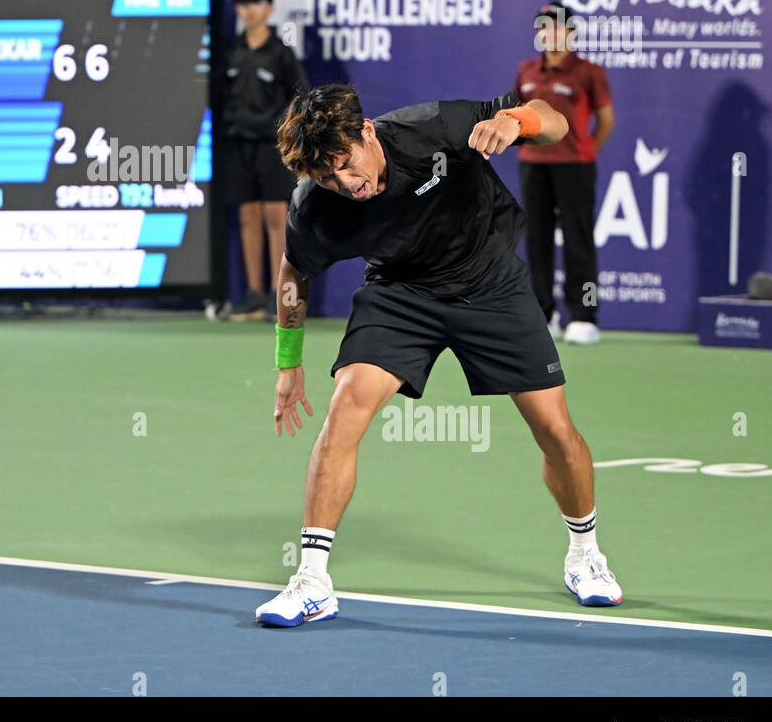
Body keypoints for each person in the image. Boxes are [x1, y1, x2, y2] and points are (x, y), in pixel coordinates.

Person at [253, 83, 623, 627]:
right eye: (326, 177)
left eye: (345, 165)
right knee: (345, 409)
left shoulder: (435, 128)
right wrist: (288, 363)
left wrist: (517, 122)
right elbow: (293, 271)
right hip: (401, 294)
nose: (344, 184)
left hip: (489, 282)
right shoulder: (318, 205)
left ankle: (586, 556)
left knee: (554, 429)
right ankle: (312, 581)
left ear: (368, 132)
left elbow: (556, 119)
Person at [516, 2, 615, 346]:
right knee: (537, 242)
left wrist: (584, 151)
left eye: (556, 27)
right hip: (533, 165)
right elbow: (518, 118)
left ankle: (585, 316)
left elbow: (605, 121)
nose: (549, 34)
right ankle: (544, 314)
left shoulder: (588, 71)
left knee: (579, 241)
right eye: (542, 27)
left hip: (575, 167)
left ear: (571, 32)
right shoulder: (527, 71)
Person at [219, 0, 308, 322]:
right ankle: (254, 293)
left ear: (269, 9)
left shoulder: (281, 54)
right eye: (242, 5)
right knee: (247, 216)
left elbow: (298, 98)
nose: (248, 11)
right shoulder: (230, 50)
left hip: (273, 148)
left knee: (276, 215)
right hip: (238, 146)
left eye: (255, 4)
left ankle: (277, 291)